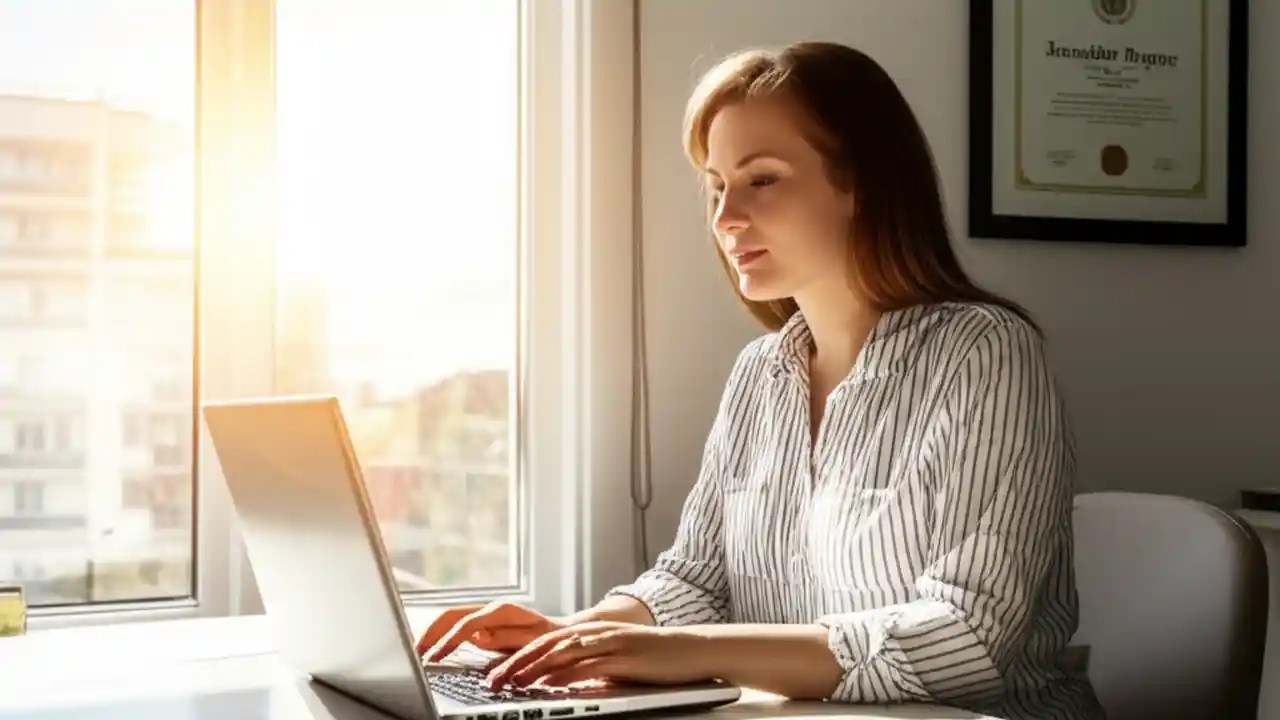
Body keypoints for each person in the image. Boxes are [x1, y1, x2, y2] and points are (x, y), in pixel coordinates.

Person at [418, 42, 1104, 720]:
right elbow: (695, 580)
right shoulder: (759, 375)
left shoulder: (986, 354)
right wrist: (578, 635)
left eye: (762, 179)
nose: (725, 219)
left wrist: (683, 652)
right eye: (717, 188)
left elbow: (965, 639)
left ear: (861, 182)